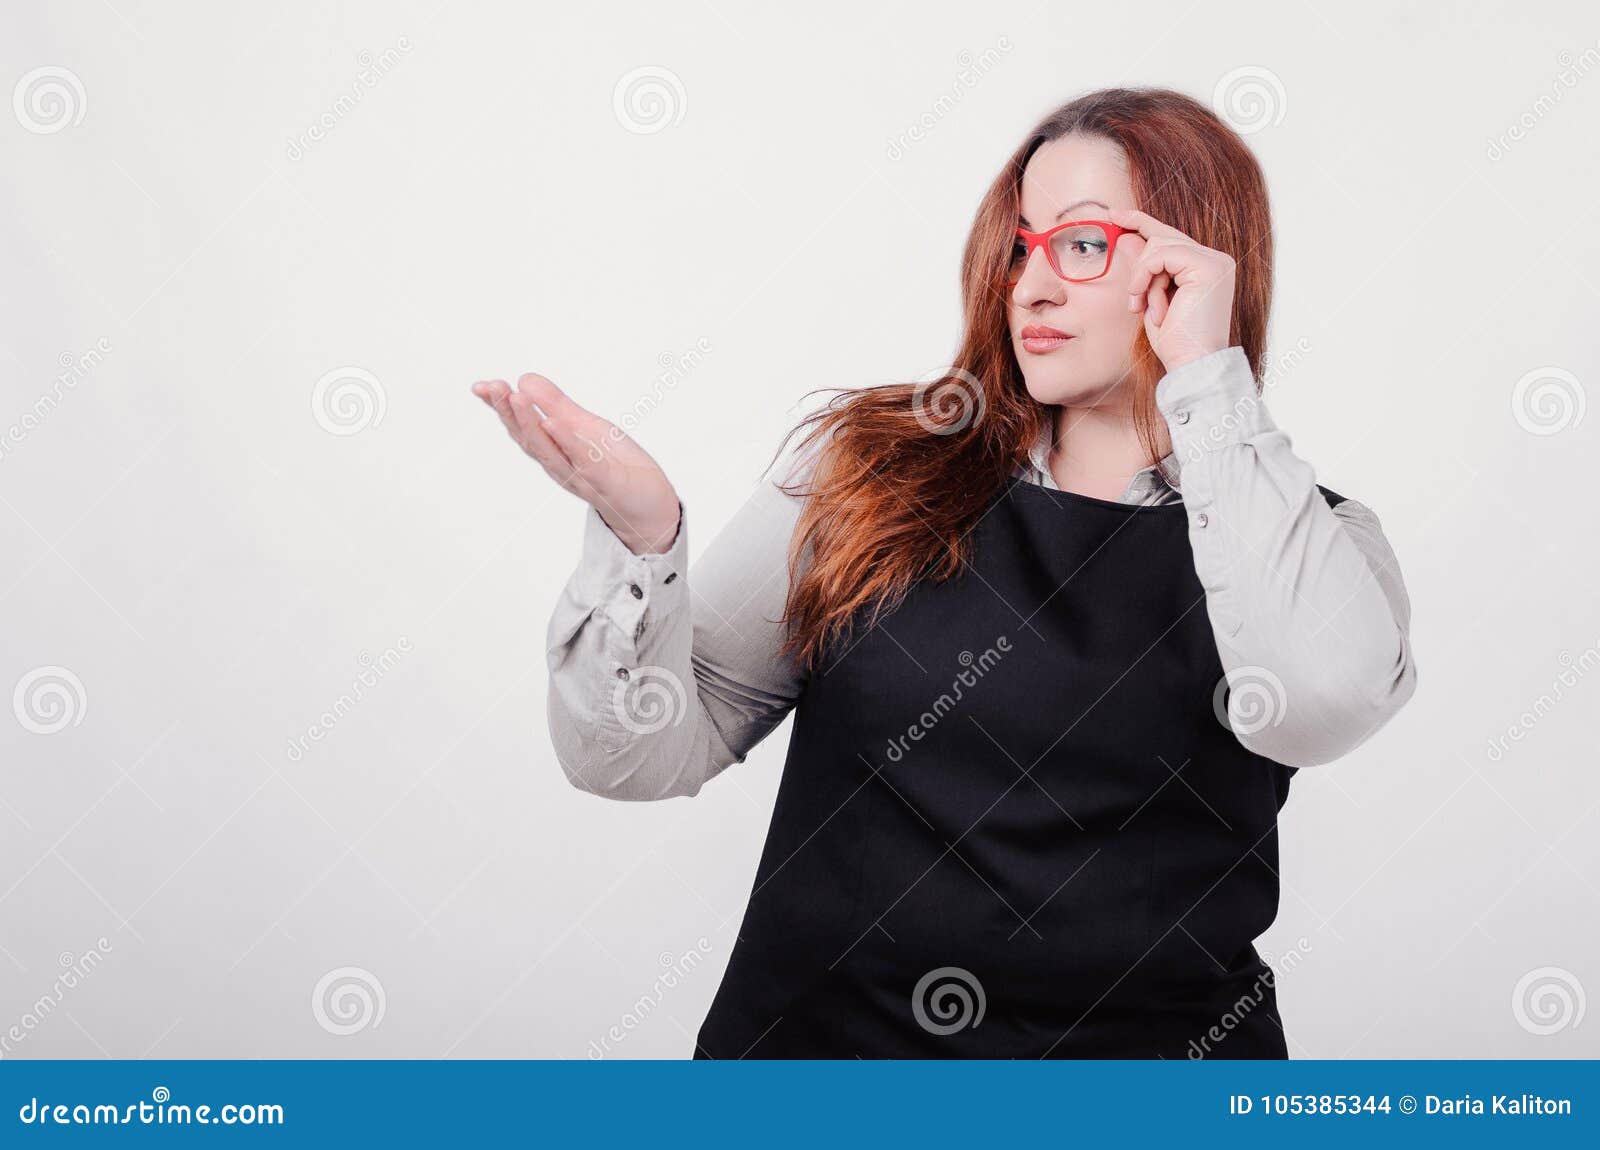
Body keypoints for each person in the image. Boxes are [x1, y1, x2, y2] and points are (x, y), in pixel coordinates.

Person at [470, 86, 1418, 1059]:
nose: (1031, 286)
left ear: (1195, 266)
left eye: (1081, 243)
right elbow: (630, 757)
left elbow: (1325, 700)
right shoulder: (868, 470)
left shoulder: (1308, 540)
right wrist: (641, 543)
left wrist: (1207, 387)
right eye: (1020, 244)